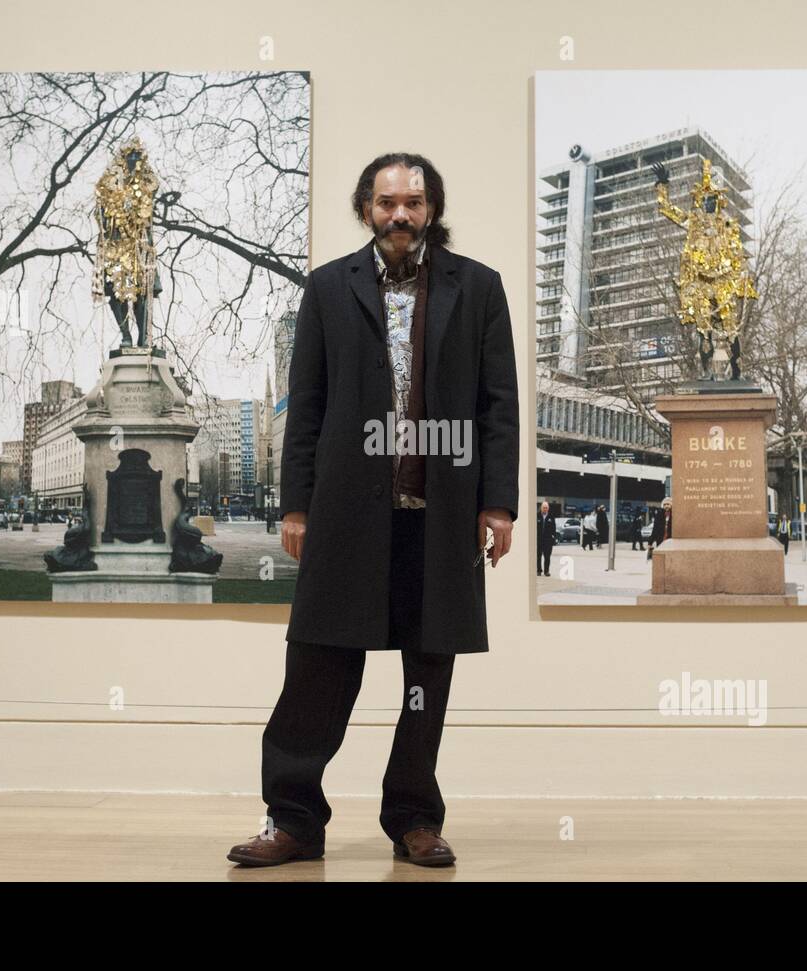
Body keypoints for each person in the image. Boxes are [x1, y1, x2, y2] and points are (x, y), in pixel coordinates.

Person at [226, 154, 519, 869]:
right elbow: (305, 406)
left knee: (427, 673)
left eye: (413, 202)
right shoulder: (329, 288)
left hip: (439, 515)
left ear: (431, 208)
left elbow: (498, 405)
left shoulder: (479, 287)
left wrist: (498, 503)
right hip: (346, 514)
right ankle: (294, 820)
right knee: (317, 668)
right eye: (387, 202)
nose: (400, 214)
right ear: (366, 209)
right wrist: (296, 506)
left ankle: (415, 818)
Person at [537, 501, 557, 577]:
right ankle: (539, 570)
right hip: (538, 540)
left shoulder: (551, 517)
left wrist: (553, 538)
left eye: (546, 508)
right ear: (541, 508)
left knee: (547, 557)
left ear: (548, 508)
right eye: (543, 508)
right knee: (538, 556)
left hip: (548, 540)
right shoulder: (537, 516)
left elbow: (554, 528)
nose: (545, 509)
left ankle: (546, 571)